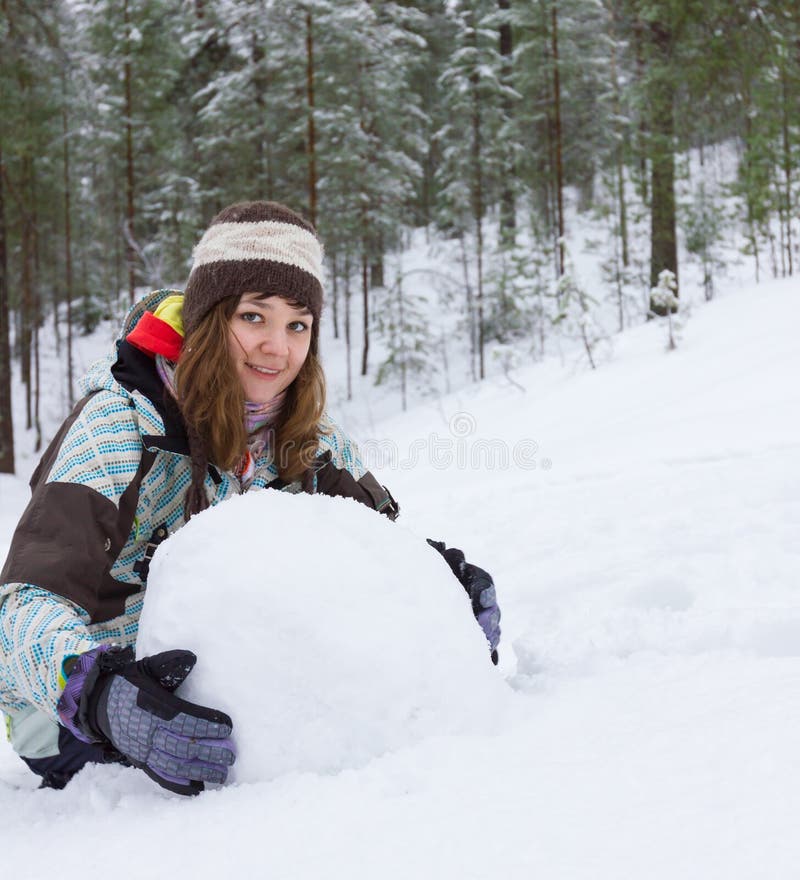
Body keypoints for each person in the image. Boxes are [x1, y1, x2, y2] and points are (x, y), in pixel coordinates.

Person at [0, 201, 501, 796]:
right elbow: (21, 610)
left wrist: (440, 586)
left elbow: (376, 561)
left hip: (233, 683)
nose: (275, 347)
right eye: (253, 317)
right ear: (212, 319)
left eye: (297, 325)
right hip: (82, 715)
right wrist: (102, 694)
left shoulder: (309, 437)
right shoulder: (116, 426)